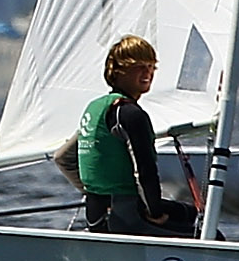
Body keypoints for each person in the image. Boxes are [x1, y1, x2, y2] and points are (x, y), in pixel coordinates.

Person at [72, 34, 200, 237]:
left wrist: (94, 191)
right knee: (212, 234)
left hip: (97, 214)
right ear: (119, 70)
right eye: (139, 66)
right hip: (126, 219)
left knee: (190, 213)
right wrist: (155, 213)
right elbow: (145, 171)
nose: (147, 72)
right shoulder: (131, 114)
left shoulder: (95, 108)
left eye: (150, 66)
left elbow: (64, 157)